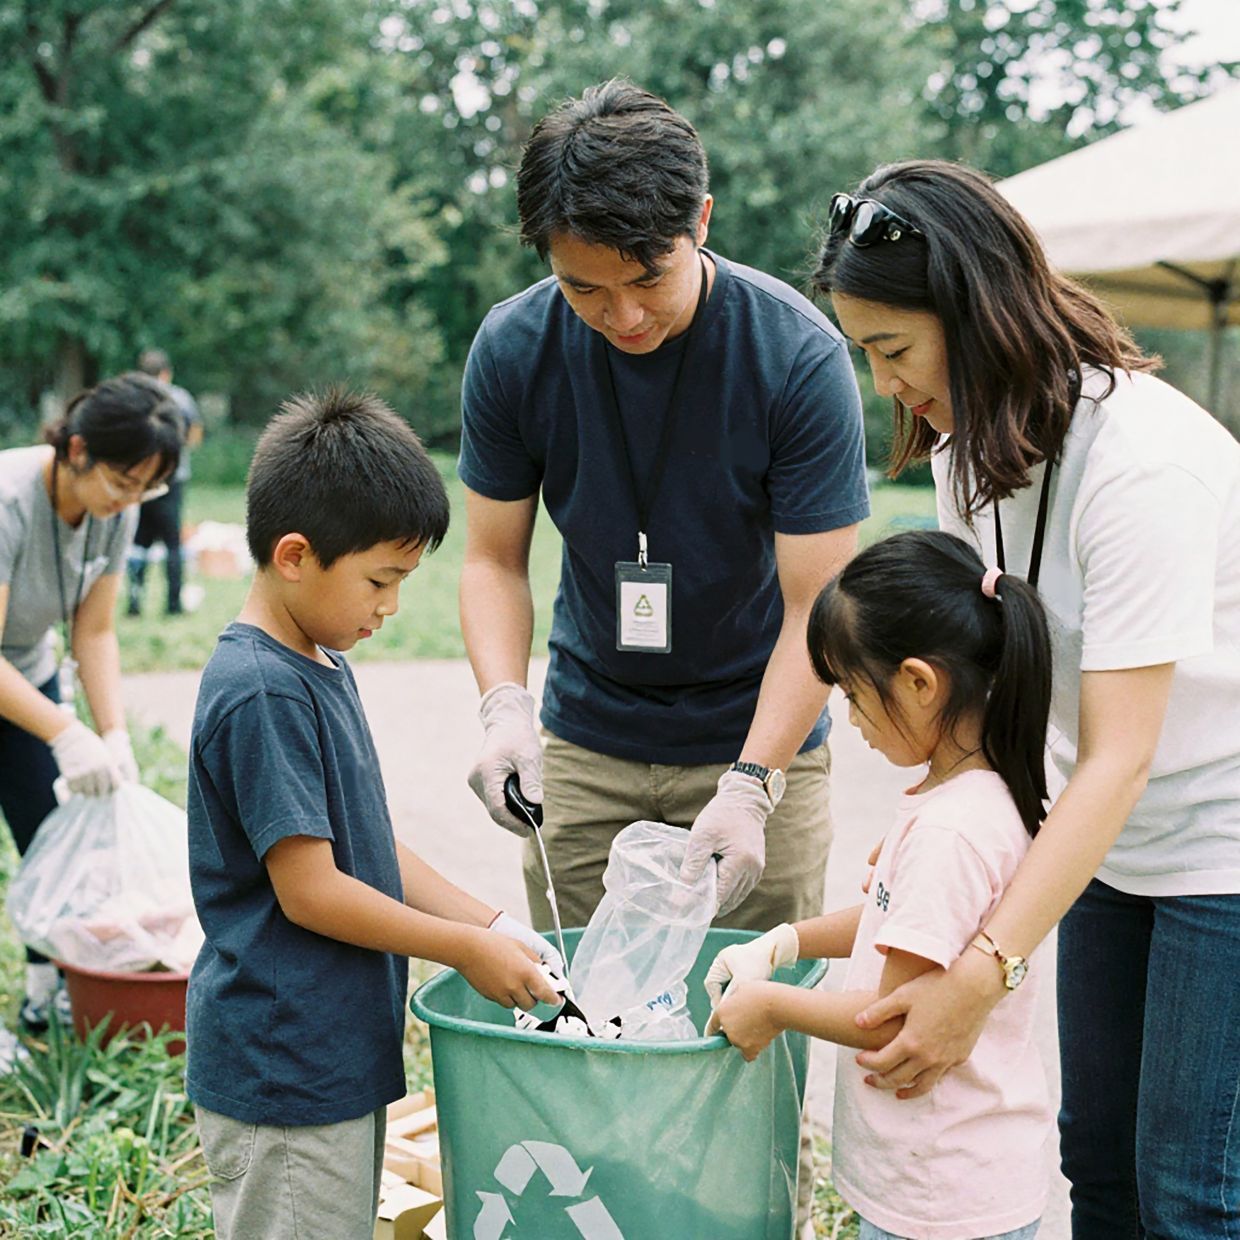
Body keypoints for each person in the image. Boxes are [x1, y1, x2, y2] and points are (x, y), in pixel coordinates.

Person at [812, 159, 1240, 1236]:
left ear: (977, 313)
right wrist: (938, 829)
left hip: (1221, 839)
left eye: (894, 350)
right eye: (866, 352)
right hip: (1106, 838)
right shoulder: (976, 456)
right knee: (1094, 1162)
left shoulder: (1141, 464)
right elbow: (996, 683)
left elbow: (1117, 755)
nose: (883, 386)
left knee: (1185, 1189)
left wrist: (981, 969)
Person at [459, 79, 868, 938]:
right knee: (581, 1025)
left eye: (649, 278)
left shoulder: (796, 357)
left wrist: (753, 785)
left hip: (758, 738)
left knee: (751, 1029)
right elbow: (492, 560)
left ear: (703, 221)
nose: (624, 316)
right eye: (585, 290)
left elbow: (816, 607)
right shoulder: (513, 348)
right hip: (583, 741)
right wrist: (503, 708)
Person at [185, 389, 562, 1240]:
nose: (389, 606)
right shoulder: (261, 691)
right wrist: (464, 951)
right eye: (380, 580)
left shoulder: (317, 660)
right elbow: (312, 891)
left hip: (330, 1058)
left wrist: (494, 920)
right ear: (294, 555)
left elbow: (363, 847)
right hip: (284, 1071)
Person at [707, 530, 1053, 1239]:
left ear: (920, 683)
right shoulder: (971, 795)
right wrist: (787, 939)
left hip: (942, 1196)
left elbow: (896, 1016)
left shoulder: (952, 831)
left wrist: (772, 1006)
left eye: (854, 695)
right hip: (955, 1175)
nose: (851, 720)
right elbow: (894, 918)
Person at [0, 373, 182, 1066]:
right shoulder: (9, 499)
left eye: (146, 488)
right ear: (76, 448)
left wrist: (110, 734)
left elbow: (95, 631)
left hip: (27, 667)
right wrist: (63, 730)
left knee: (51, 836)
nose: (129, 501)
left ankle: (45, 991)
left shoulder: (118, 507)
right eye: (122, 481)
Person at [126, 347, 203, 617]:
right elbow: (195, 432)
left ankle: (134, 603)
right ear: (166, 373)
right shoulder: (180, 398)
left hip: (140, 480)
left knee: (138, 542)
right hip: (173, 479)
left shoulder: (133, 398)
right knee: (172, 542)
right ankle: (173, 603)